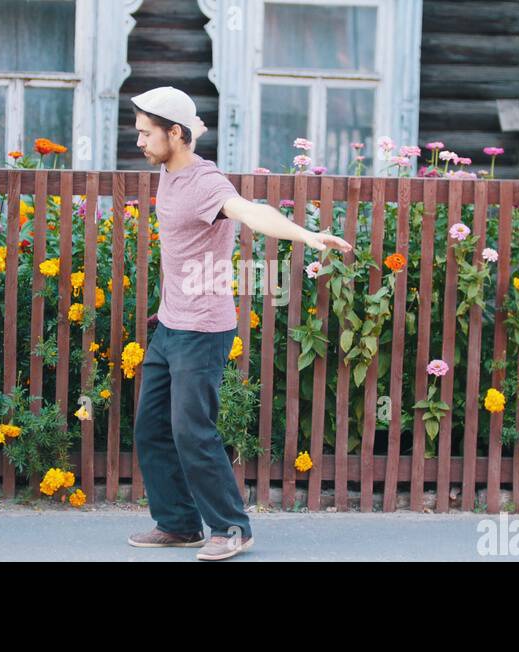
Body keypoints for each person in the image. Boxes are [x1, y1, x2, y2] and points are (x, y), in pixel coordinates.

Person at [126, 86, 352, 560]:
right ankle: (179, 524)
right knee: (150, 426)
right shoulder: (171, 167)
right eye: (139, 130)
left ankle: (232, 527)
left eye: (147, 132)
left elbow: (250, 212)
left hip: (202, 329)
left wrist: (306, 235)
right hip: (170, 324)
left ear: (175, 134)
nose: (139, 140)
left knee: (192, 429)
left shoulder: (207, 183)